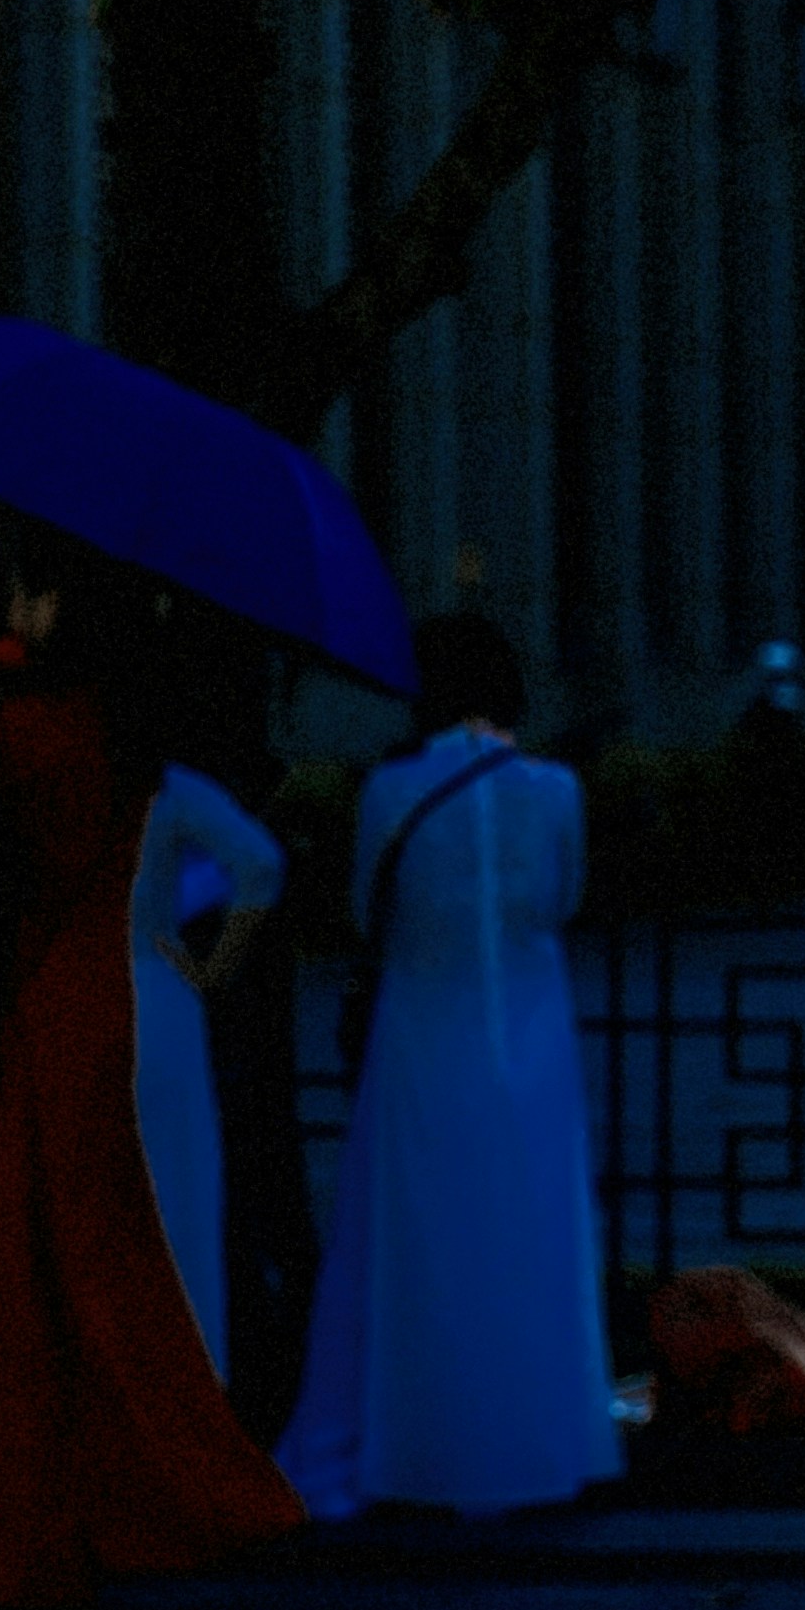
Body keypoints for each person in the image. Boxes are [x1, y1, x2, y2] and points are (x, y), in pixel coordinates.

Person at [0, 550, 303, 1610]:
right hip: (130, 1006)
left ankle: (26, 1519)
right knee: (128, 1257)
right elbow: (252, 861)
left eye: (30, 594)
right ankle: (159, 1489)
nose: (12, 607)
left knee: (16, 1269)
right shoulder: (136, 743)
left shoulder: (27, 736)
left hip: (41, 1011)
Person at [279, 612, 616, 1523]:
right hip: (532, 1038)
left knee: (418, 1241)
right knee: (531, 1236)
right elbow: (564, 898)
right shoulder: (553, 790)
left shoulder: (390, 790)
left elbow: (364, 913)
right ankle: (540, 1439)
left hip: (422, 1037)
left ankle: (424, 1442)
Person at [126, 755, 285, 1383]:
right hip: (158, 992)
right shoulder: (170, 787)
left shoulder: (38, 774)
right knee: (174, 1195)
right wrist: (216, 968)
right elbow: (260, 863)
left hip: (66, 994)